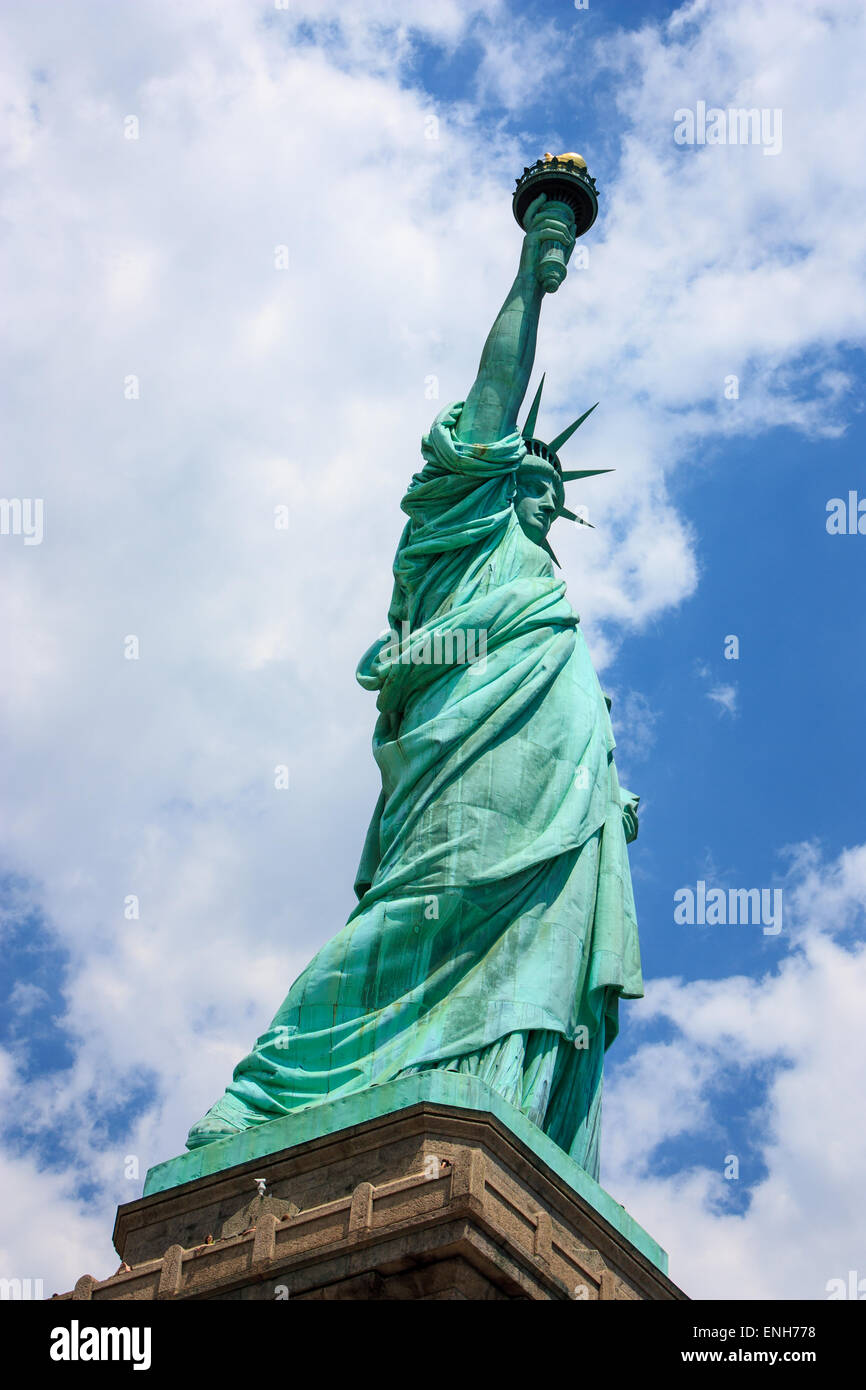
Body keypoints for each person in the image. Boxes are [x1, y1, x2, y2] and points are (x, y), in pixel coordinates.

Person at [186, 193, 643, 1180]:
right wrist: (533, 266)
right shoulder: (455, 538)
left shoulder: (540, 593)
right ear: (481, 477)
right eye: (525, 472)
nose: (543, 492)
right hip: (460, 754)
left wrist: (607, 786)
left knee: (540, 938)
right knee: (418, 905)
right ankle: (267, 1091)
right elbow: (495, 385)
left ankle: (503, 1109)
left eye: (551, 493)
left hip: (559, 762)